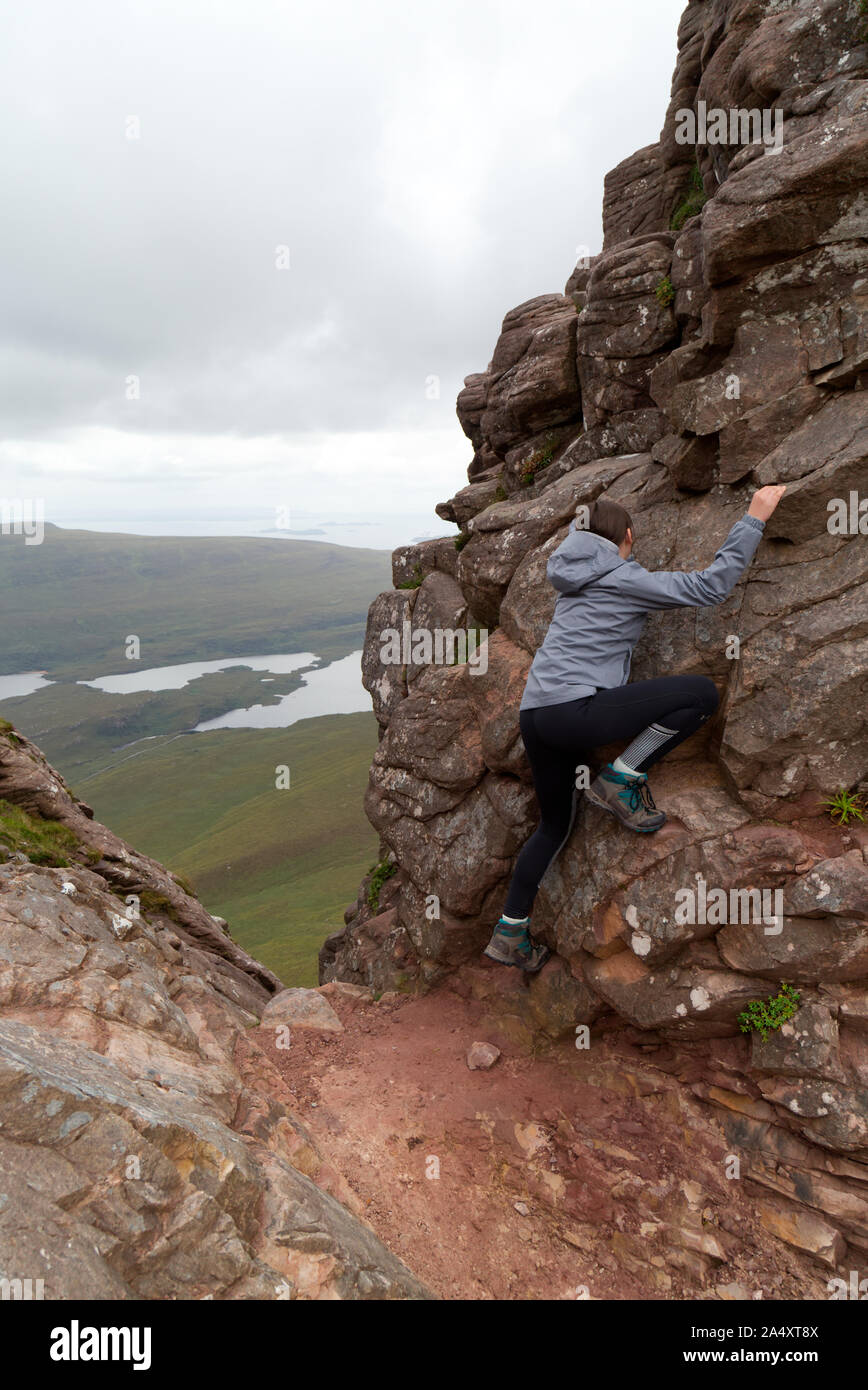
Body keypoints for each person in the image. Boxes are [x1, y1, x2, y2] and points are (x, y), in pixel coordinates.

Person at [484, 483, 787, 973]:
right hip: (575, 712)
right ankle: (622, 777)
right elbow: (710, 586)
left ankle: (510, 931)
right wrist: (754, 516)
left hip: (535, 716)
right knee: (700, 695)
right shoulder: (623, 575)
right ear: (625, 536)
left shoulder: (571, 577)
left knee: (554, 826)